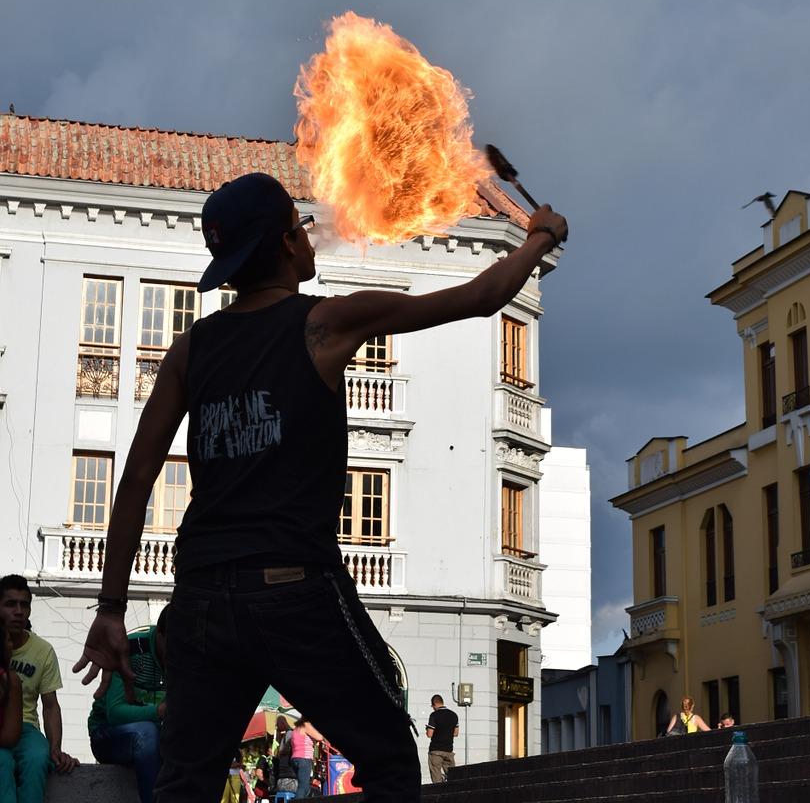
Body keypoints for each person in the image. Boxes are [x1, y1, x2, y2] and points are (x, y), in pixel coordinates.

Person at [73, 172, 568, 803]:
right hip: (295, 591)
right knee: (390, 761)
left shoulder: (190, 349)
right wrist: (538, 239)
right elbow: (482, 295)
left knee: (185, 783)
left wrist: (111, 607)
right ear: (285, 244)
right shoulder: (323, 324)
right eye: (301, 227)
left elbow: (138, 477)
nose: (311, 237)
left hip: (201, 601)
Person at [0, 574, 78, 802]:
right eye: (10, 604)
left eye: (24, 605)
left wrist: (56, 747)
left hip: (26, 728)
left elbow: (51, 705)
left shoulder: (43, 650)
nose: (18, 611)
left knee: (37, 758)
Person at [88, 608, 169, 803]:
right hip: (107, 734)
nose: (179, 654)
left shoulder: (189, 659)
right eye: (173, 644)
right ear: (159, 633)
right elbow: (115, 713)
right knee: (147, 732)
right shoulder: (130, 648)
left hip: (156, 742)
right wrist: (158, 712)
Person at [1, 619, 24, 750]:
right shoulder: (8, 679)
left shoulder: (10, 680)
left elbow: (10, 736)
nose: (12, 646)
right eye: (8, 640)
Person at [426, 693, 459, 784]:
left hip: (436, 751)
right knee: (453, 778)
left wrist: (427, 729)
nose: (432, 708)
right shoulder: (454, 715)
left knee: (437, 780)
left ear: (434, 704)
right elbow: (456, 733)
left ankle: (439, 794)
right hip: (449, 751)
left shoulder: (434, 715)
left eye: (432, 706)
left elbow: (429, 734)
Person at [290, 718, 322, 799]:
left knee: (306, 787)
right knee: (303, 787)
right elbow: (319, 737)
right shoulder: (306, 725)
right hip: (304, 758)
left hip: (295, 758)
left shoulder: (296, 728)